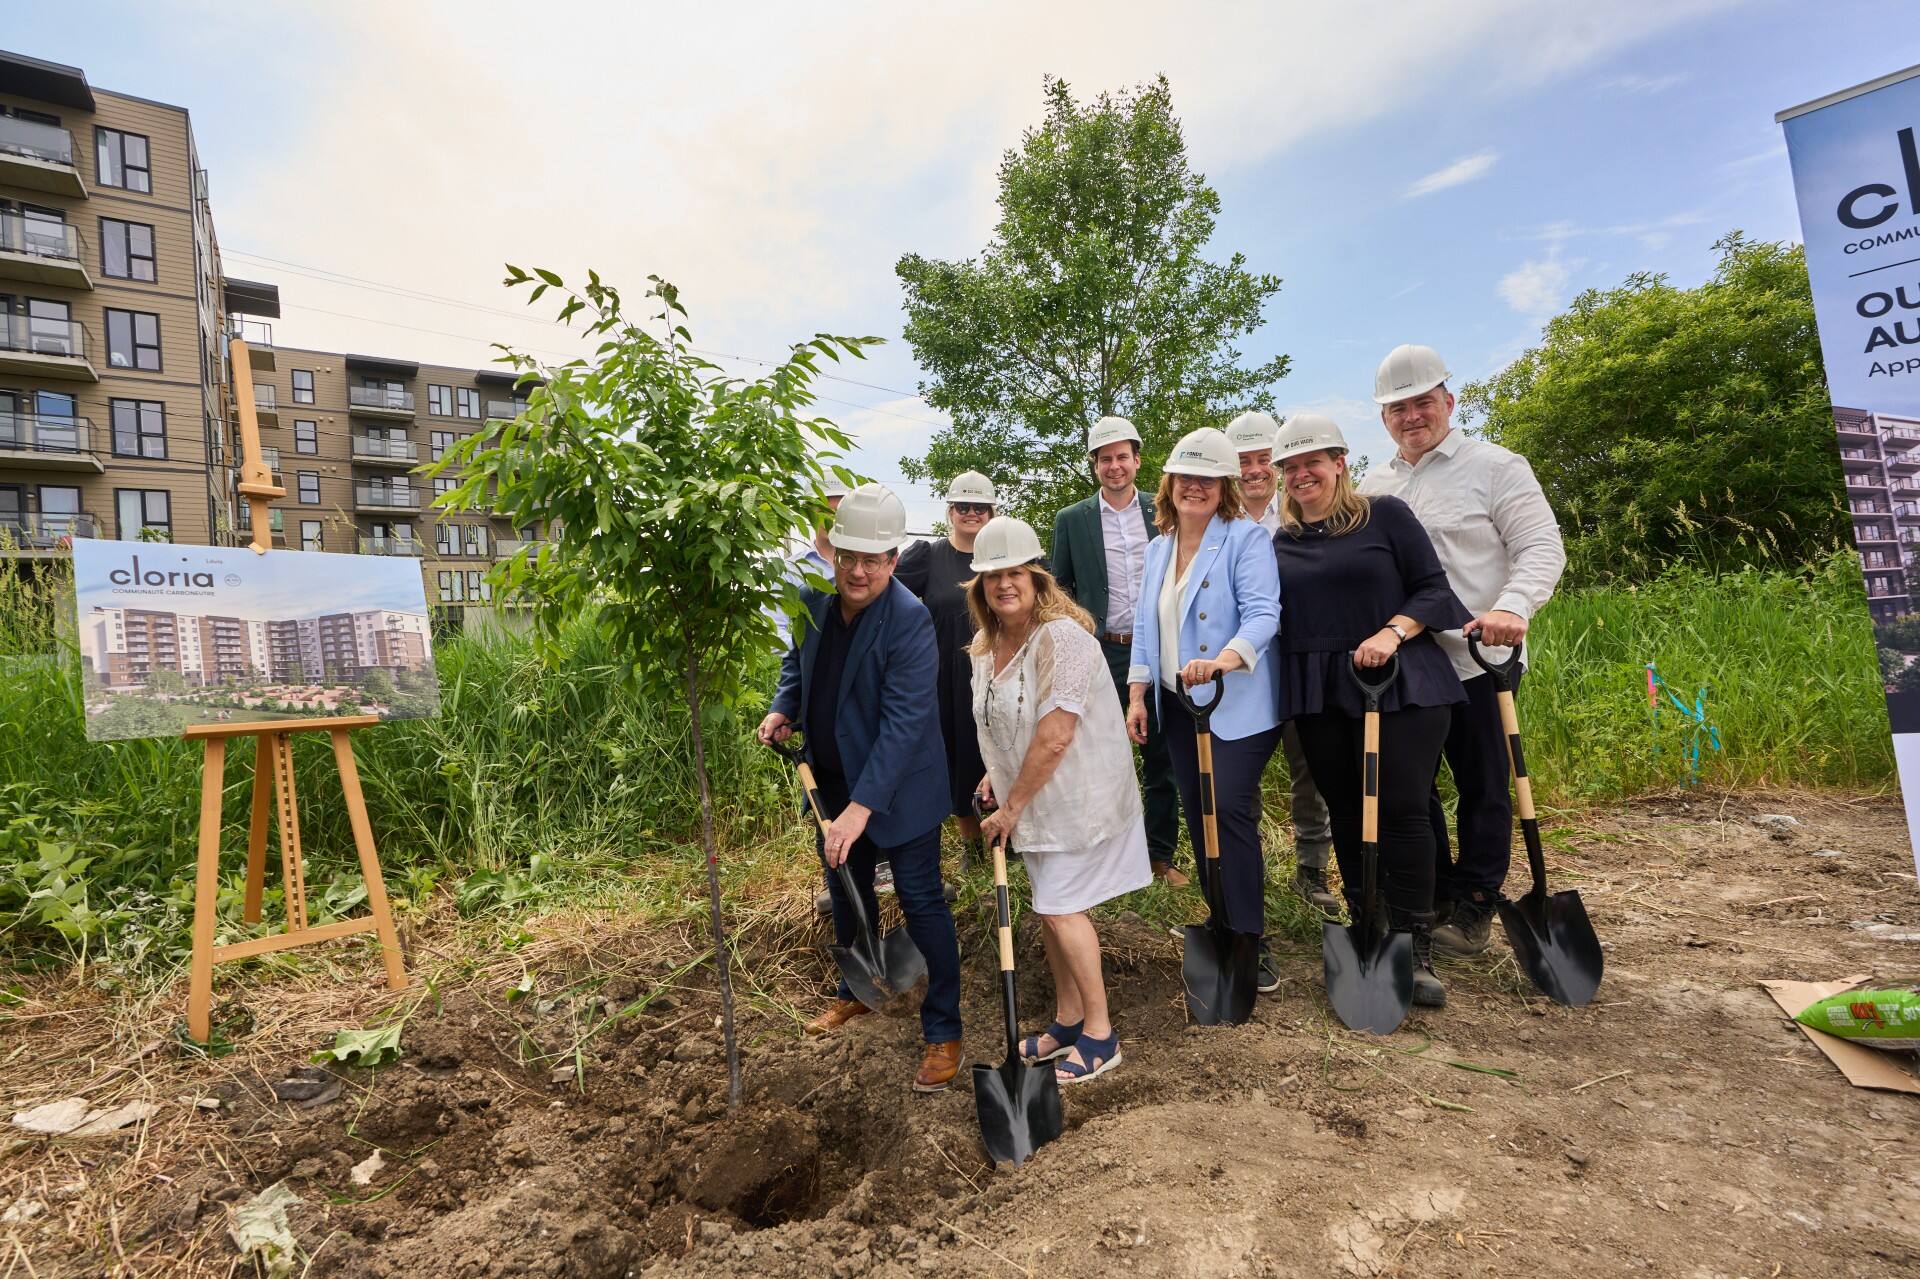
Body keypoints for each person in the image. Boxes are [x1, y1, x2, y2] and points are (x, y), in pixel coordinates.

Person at [1358, 345, 1566, 957]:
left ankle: (1477, 899)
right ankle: (1439, 888)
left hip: (1479, 660)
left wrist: (1513, 607)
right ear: (1384, 418)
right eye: (1398, 408)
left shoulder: (1498, 467)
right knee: (1412, 790)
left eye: (1422, 402)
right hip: (1408, 667)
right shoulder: (1374, 486)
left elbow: (1540, 546)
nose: (1411, 416)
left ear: (1449, 401)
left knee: (1483, 784)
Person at [758, 484, 966, 1091]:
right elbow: (797, 665)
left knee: (923, 902)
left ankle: (943, 1030)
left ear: (893, 561)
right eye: (848, 555)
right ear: (834, 550)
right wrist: (783, 708)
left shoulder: (909, 620)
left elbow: (905, 726)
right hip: (832, 778)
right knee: (847, 893)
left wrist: (860, 811)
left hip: (898, 789)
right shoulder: (813, 598)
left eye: (872, 559)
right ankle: (858, 989)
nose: (858, 569)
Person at [1269, 413, 1471, 1006]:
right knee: (1348, 811)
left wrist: (1393, 632)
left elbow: (1434, 588)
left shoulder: (1385, 514)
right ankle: (1369, 927)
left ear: (1339, 463)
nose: (1302, 474)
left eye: (1314, 462)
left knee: (1404, 811)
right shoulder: (1281, 541)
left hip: (1397, 681)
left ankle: (1415, 943)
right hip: (1319, 690)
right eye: (1291, 467)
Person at [967, 516, 1149, 1082]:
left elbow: (1056, 734)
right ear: (979, 587)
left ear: (1038, 578)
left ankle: (1101, 1033)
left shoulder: (1063, 639)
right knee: (1049, 906)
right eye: (992, 576)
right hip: (1028, 797)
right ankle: (1069, 1021)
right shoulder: (986, 643)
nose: (1004, 584)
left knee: (1061, 907)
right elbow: (1000, 723)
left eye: (1015, 572)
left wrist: (1013, 806)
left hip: (1074, 797)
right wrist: (994, 776)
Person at [1125, 428, 1284, 991]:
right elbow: (1147, 626)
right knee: (1199, 816)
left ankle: (1249, 938)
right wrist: (1139, 692)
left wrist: (1223, 660)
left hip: (1233, 704)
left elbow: (1265, 614)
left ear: (1224, 487)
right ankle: (1219, 921)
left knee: (1230, 813)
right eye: (1186, 477)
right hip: (1178, 705)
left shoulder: (1245, 539)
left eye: (1207, 478)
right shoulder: (1159, 546)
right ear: (1169, 485)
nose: (1195, 486)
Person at [1051, 416, 1185, 885]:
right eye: (1105, 458)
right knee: (1101, 753)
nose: (1115, 466)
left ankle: (1159, 855)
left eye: (1122, 457)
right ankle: (1108, 856)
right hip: (1101, 652)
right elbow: (1059, 592)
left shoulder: (1164, 511)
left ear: (1137, 460)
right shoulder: (1072, 521)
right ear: (1094, 465)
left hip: (1159, 650)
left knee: (1161, 755)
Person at [1228, 411, 1339, 917]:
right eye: (1243, 462)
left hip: (1297, 663)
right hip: (1240, 671)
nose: (1254, 470)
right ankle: (1243, 861)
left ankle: (1311, 868)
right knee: (1240, 773)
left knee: (1311, 767)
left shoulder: (1303, 515)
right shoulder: (1217, 526)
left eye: (1262, 460)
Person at [896, 471, 996, 869]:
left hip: (998, 674)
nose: (971, 513)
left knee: (1000, 754)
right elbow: (890, 601)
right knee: (958, 758)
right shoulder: (928, 556)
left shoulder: (1002, 557)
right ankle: (972, 846)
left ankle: (1010, 840)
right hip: (945, 679)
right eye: (963, 507)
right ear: (950, 511)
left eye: (980, 507)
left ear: (991, 512)